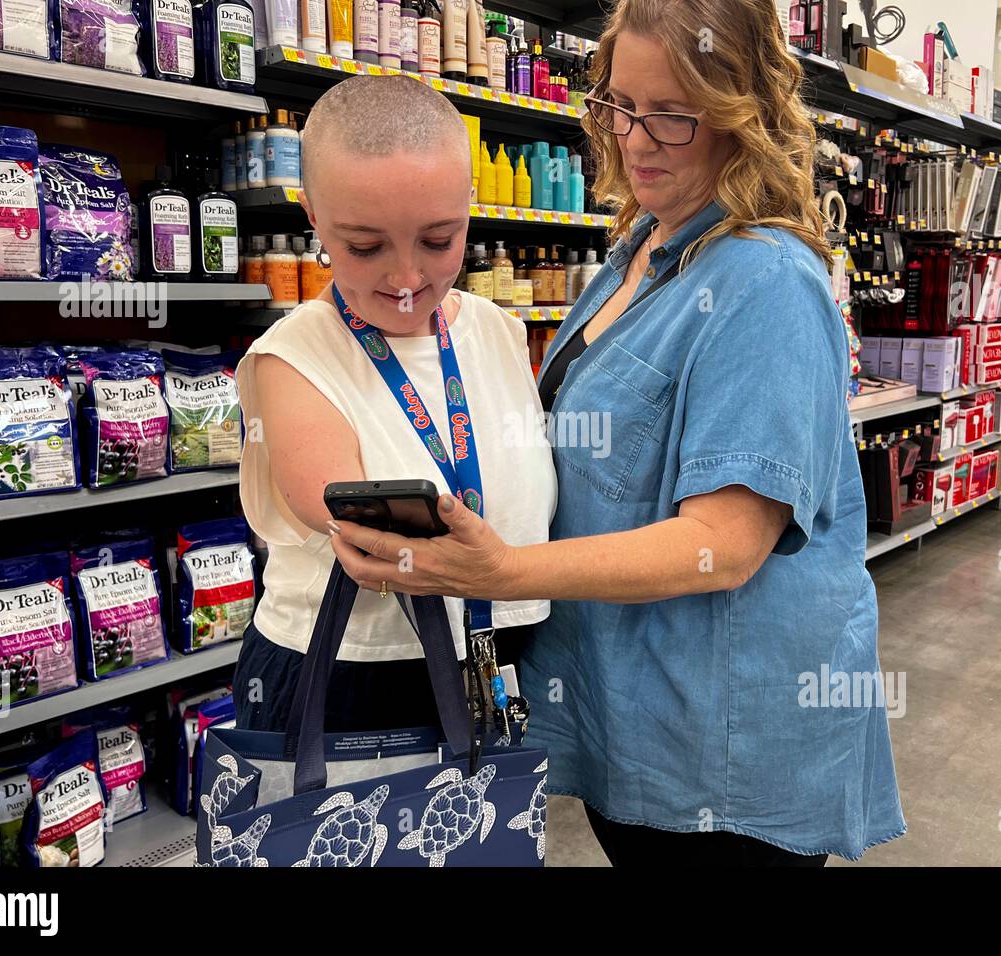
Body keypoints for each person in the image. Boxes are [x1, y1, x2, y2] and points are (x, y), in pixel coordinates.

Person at [329, 0, 904, 867]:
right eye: (619, 105)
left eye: (672, 114)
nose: (636, 141)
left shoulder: (767, 283)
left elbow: (726, 545)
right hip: (632, 715)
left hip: (719, 754)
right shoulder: (644, 247)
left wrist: (506, 570)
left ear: (739, 115)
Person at [232, 75, 556, 733]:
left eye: (439, 240)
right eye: (365, 245)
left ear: (469, 206)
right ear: (314, 217)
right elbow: (352, 518)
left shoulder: (496, 329)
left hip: (495, 659)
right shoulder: (292, 357)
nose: (407, 280)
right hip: (350, 677)